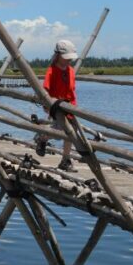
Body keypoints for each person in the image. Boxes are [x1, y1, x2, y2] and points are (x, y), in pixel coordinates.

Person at [35, 39, 78, 171]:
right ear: (58, 55)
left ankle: (65, 159)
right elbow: (45, 90)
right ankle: (42, 137)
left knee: (71, 132)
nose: (69, 60)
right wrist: (47, 105)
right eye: (66, 57)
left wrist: (73, 107)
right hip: (56, 106)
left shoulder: (71, 71)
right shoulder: (52, 70)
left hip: (70, 106)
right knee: (60, 131)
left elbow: (72, 91)